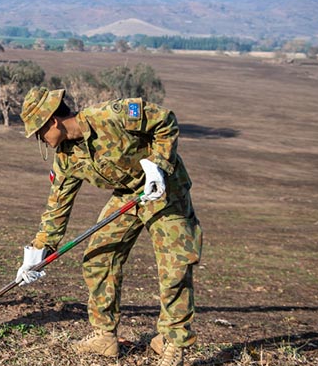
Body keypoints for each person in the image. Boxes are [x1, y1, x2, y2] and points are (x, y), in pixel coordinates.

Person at [16, 87, 202, 366]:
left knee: (175, 265)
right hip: (129, 195)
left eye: (40, 133)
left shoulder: (110, 116)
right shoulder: (66, 159)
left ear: (52, 121)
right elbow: (57, 208)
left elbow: (165, 120)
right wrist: (37, 253)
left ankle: (173, 342)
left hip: (165, 189)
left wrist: (158, 165)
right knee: (99, 257)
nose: (41, 140)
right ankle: (104, 337)